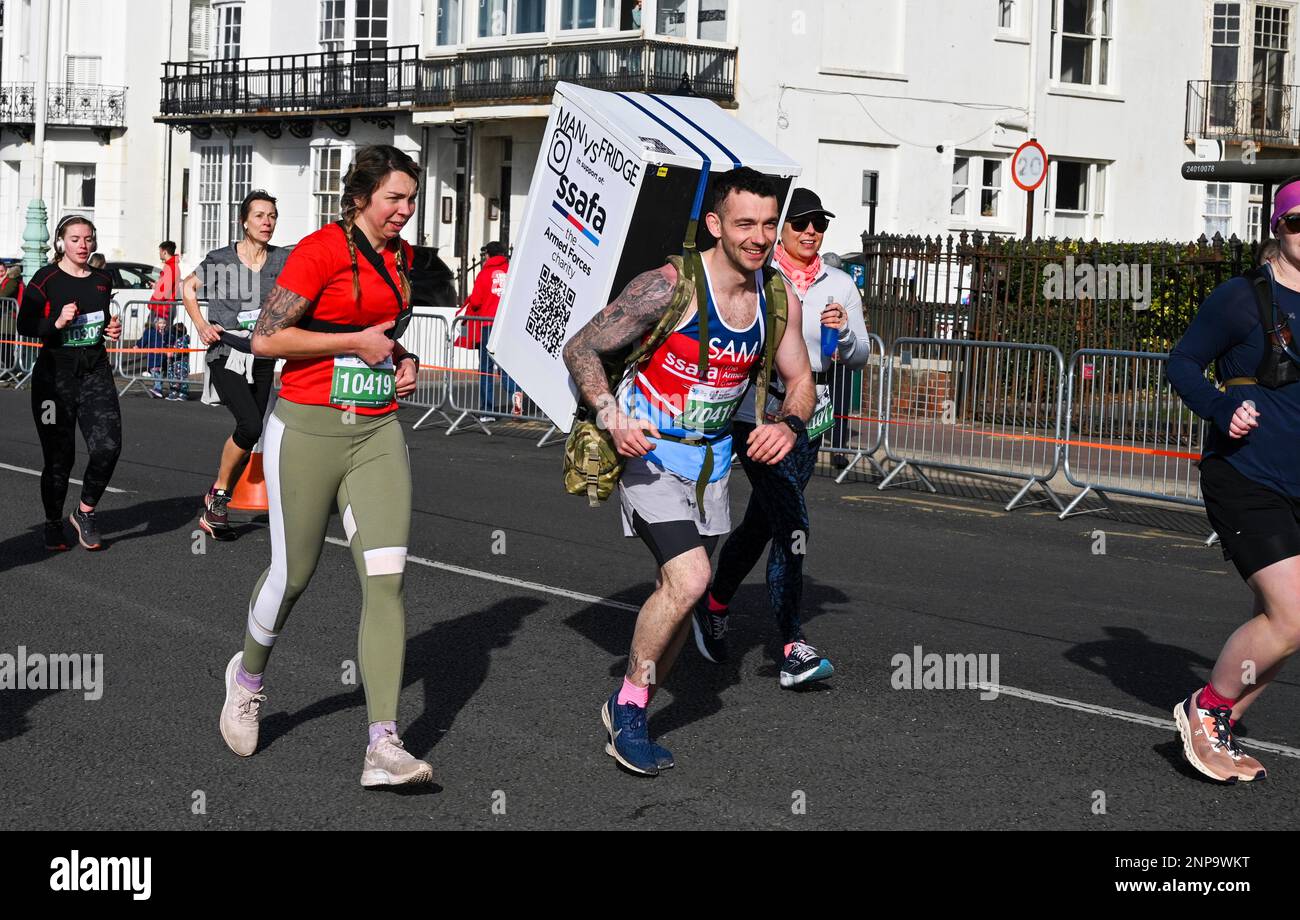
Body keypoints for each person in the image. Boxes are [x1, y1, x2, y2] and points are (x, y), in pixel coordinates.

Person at [563, 167, 815, 776]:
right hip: (647, 455)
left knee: (678, 595)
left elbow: (801, 381)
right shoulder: (669, 286)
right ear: (715, 225)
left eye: (766, 225)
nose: (758, 237)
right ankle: (628, 713)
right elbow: (582, 348)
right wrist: (611, 412)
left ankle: (633, 699)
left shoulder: (777, 298)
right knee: (692, 578)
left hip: (713, 466)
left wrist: (788, 423)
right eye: (744, 223)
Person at [217, 145, 432, 788]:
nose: (405, 210)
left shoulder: (400, 257)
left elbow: (386, 327)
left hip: (377, 430)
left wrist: (399, 356)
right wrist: (353, 342)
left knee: (387, 578)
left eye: (411, 200)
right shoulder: (319, 251)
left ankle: (383, 744)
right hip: (307, 427)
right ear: (361, 196)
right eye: (395, 198)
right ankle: (248, 678)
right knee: (293, 573)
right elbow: (266, 339)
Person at [696, 188, 871, 687]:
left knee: (763, 523)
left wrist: (847, 334)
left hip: (808, 417)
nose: (811, 231)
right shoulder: (761, 277)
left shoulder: (838, 283)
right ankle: (793, 645)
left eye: (819, 224)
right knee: (793, 520)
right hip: (757, 413)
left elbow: (856, 356)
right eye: (800, 223)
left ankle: (714, 602)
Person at [1163, 180, 1300, 783]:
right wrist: (1220, 408)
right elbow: (1182, 363)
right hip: (1246, 476)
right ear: (1277, 226)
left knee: (1283, 623)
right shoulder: (1243, 298)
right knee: (1293, 616)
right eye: (1299, 220)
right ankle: (1206, 708)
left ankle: (1217, 726)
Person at [180, 190, 290, 537]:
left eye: (271, 215)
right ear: (244, 222)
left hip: (262, 355)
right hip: (226, 352)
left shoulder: (282, 260)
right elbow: (188, 287)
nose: (267, 222)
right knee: (251, 425)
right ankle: (220, 494)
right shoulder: (221, 259)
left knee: (252, 428)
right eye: (259, 215)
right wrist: (200, 325)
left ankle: (216, 504)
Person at [16, 215, 122, 550]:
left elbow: (100, 323)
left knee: (108, 447)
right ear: (61, 241)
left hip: (95, 373)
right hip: (54, 380)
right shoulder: (45, 278)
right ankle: (52, 522)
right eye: (75, 239)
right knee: (59, 458)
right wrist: (57, 321)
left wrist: (110, 331)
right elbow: (25, 325)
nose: (83, 245)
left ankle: (85, 512)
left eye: (88, 239)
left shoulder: (103, 279)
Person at [452, 241, 518, 421]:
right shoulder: (512, 272)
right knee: (505, 366)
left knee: (485, 369)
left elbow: (476, 302)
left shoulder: (485, 273)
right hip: (506, 325)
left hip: (487, 325)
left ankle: (487, 410)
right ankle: (515, 393)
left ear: (488, 255)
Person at [137, 315, 173, 398]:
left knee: (160, 374)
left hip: (163, 358)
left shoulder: (167, 333)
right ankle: (157, 389)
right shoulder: (150, 332)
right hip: (153, 358)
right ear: (156, 323)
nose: (163, 325)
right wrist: (138, 345)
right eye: (160, 323)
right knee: (156, 374)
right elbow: (144, 340)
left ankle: (157, 389)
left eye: (164, 323)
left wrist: (170, 350)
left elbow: (169, 343)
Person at [149, 241, 180, 319]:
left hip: (162, 309)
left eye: (160, 251)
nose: (159, 253)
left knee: (154, 330)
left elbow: (165, 290)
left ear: (165, 252)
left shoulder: (171, 267)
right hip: (163, 307)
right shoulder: (170, 266)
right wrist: (157, 286)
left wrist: (152, 303)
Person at [168, 321, 191, 401]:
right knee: (173, 377)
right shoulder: (173, 340)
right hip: (173, 363)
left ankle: (183, 393)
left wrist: (173, 353)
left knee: (183, 378)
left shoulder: (183, 339)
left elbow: (182, 349)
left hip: (182, 364)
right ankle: (173, 392)